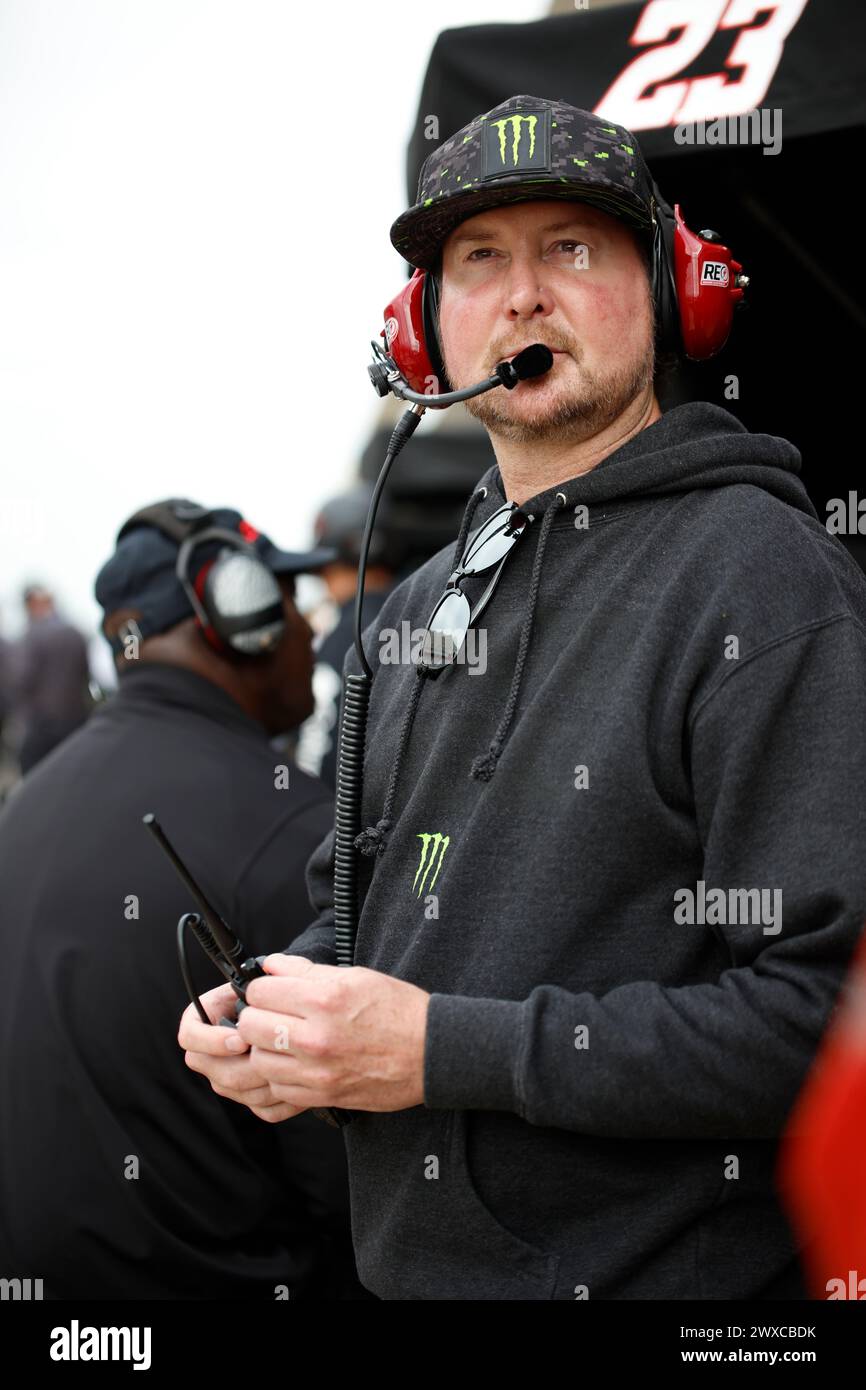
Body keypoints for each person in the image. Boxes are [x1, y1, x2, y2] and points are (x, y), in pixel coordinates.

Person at [178, 96, 866, 1300]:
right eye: (478, 259)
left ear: (672, 291)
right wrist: (281, 1009)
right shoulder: (411, 612)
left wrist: (441, 1050)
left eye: (572, 247)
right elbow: (363, 915)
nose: (522, 294)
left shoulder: (762, 574)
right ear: (420, 329)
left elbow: (817, 1024)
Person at [0, 498, 373, 1300]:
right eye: (285, 600)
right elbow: (362, 1189)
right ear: (234, 616)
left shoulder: (24, 807)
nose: (311, 629)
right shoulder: (301, 831)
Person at [295, 483, 399, 789]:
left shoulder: (347, 630)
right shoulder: (427, 615)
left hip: (334, 821)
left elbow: (315, 760)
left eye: (327, 571)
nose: (324, 583)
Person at [10, 584, 91, 773]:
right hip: (75, 723)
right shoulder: (76, 634)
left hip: (41, 725)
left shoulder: (32, 635)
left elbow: (21, 679)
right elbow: (86, 676)